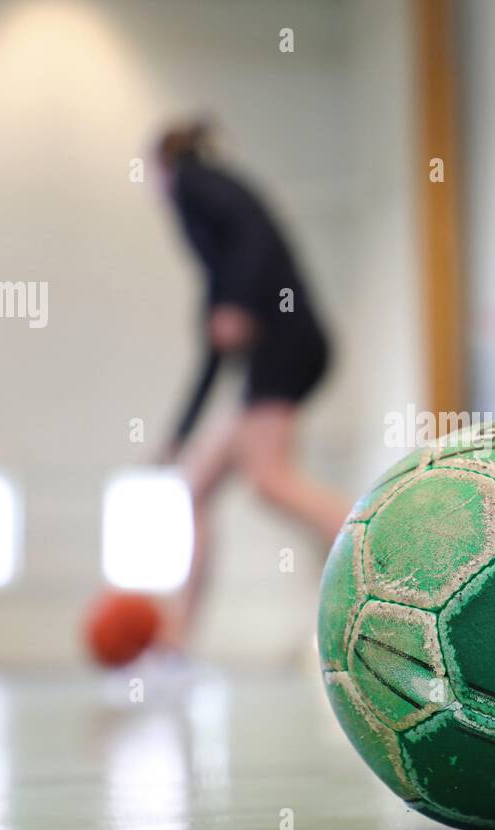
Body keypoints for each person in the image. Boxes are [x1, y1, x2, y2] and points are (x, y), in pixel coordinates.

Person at [154, 120, 349, 650]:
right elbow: (214, 354)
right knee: (195, 485)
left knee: (269, 479)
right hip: (279, 352)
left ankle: (368, 549)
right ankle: (175, 638)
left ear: (162, 170)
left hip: (289, 344)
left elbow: (256, 232)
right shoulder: (220, 263)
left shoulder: (195, 182)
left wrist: (238, 302)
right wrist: (179, 433)